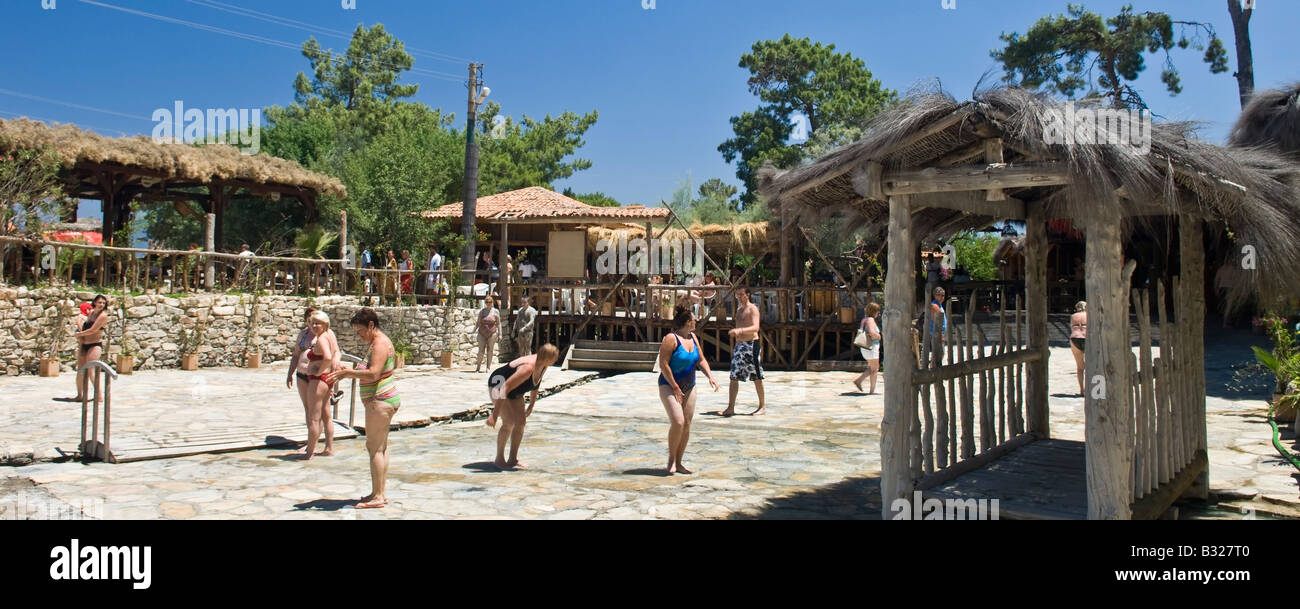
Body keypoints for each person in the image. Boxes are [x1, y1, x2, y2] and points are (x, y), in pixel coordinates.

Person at [326, 308, 401, 509]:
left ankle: (378, 496)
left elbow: (374, 373)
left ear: (371, 325)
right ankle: (379, 492)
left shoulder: (380, 344)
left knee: (375, 448)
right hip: (382, 400)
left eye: (360, 331)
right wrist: (349, 370)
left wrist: (348, 374)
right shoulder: (376, 343)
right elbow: (369, 369)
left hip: (380, 400)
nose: (359, 335)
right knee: (380, 447)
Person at [658, 306, 720, 474]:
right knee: (678, 422)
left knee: (686, 424)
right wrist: (675, 387)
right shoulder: (671, 338)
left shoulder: (693, 337)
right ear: (687, 322)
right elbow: (663, 364)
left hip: (689, 385)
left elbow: (700, 359)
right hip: (669, 385)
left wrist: (710, 376)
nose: (696, 321)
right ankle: (671, 460)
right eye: (694, 319)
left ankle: (679, 462)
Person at [484, 344, 560, 470]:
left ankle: (513, 459)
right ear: (546, 358)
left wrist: (532, 403)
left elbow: (536, 383)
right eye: (554, 358)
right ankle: (499, 459)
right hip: (497, 386)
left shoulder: (543, 365)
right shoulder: (528, 368)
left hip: (514, 390)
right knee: (509, 422)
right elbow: (505, 388)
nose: (556, 360)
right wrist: (494, 415)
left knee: (520, 422)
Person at [287, 307, 343, 458]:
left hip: (318, 378)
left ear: (325, 323)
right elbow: (296, 355)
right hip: (303, 375)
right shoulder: (304, 334)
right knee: (312, 411)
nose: (313, 325)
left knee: (318, 414)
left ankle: (311, 450)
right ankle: (314, 444)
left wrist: (322, 370)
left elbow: (332, 354)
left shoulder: (326, 335)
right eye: (311, 322)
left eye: (317, 322)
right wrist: (290, 373)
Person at [722, 285, 765, 416]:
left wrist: (739, 331)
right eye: (737, 295)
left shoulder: (753, 309)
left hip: (751, 345)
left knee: (756, 375)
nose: (739, 297)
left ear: (747, 295)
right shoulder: (739, 310)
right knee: (733, 375)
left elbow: (755, 327)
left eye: (741, 294)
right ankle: (730, 407)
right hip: (740, 346)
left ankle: (762, 406)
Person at [71, 295, 109, 401]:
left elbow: (93, 330)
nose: (101, 304)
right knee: (80, 370)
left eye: (103, 303)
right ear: (95, 303)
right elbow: (83, 323)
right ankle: (80, 395)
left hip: (95, 344)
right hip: (84, 344)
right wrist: (80, 329)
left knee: (91, 370)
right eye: (100, 302)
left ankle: (99, 395)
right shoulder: (91, 313)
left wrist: (80, 334)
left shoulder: (103, 316)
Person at [854, 302, 882, 394]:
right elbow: (871, 333)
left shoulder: (864, 319)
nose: (878, 313)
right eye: (877, 311)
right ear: (874, 311)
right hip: (871, 347)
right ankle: (871, 390)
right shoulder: (870, 320)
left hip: (865, 347)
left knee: (873, 368)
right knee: (875, 369)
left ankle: (859, 380)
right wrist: (878, 336)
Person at [474, 294, 501, 373]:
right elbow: (478, 322)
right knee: (481, 350)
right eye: (487, 302)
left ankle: (488, 367)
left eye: (490, 302)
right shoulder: (482, 311)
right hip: (482, 332)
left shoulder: (496, 311)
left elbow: (498, 323)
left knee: (490, 350)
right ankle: (478, 367)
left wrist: (500, 334)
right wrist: (473, 331)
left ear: (492, 302)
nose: (488, 303)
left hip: (492, 333)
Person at [923, 286, 947, 368]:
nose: (941, 297)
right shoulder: (934, 306)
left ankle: (933, 367)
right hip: (936, 333)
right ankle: (933, 368)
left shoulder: (939, 305)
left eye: (943, 295)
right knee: (939, 352)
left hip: (940, 332)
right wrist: (941, 334)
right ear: (934, 295)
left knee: (938, 353)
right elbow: (937, 322)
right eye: (939, 295)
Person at [1070, 301, 1087, 396]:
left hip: (1075, 338)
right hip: (1086, 338)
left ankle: (1082, 390)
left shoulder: (1073, 316)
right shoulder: (1089, 315)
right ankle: (1092, 389)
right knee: (1091, 366)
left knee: (1080, 367)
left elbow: (1072, 327)